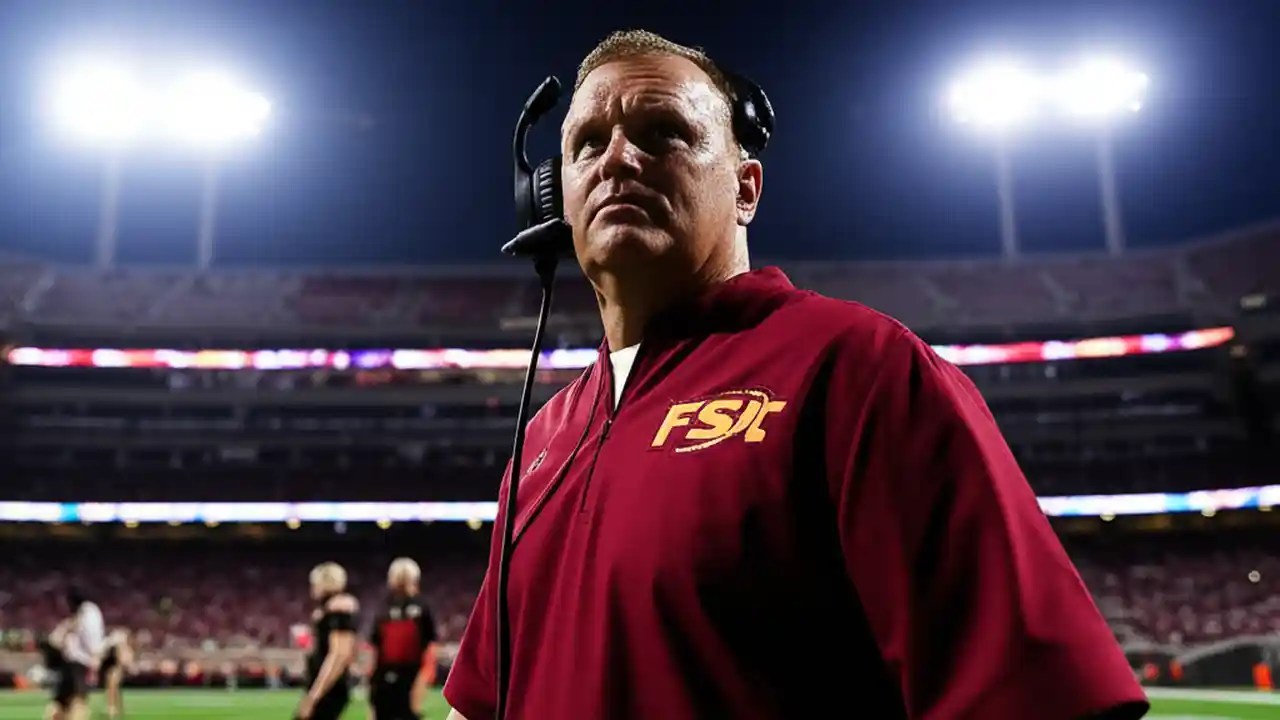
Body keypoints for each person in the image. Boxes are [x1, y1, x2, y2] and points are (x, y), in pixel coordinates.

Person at [443, 29, 1150, 720]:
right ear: (553, 199)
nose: (619, 159)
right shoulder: (542, 437)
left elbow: (1033, 695)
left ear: (746, 188)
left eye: (664, 133)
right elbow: (479, 703)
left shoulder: (858, 367)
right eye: (588, 144)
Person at [368, 557, 440, 720]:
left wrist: (423, 678)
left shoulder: (421, 608)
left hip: (410, 675)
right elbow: (376, 647)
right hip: (385, 676)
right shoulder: (384, 607)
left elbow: (430, 647)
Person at [294, 562, 360, 720]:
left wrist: (315, 695)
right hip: (326, 686)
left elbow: (338, 655)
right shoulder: (326, 610)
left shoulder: (339, 609)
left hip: (328, 688)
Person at [46, 586, 104, 720]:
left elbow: (55, 640)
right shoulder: (89, 613)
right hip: (80, 664)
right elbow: (92, 641)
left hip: (69, 663)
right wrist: (95, 662)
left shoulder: (77, 617)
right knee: (78, 703)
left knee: (61, 704)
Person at [99, 628, 134, 719]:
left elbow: (120, 656)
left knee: (112, 687)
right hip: (113, 664)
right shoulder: (115, 641)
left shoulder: (117, 641)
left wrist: (122, 665)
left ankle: (112, 708)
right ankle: (116, 708)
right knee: (114, 687)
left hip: (114, 665)